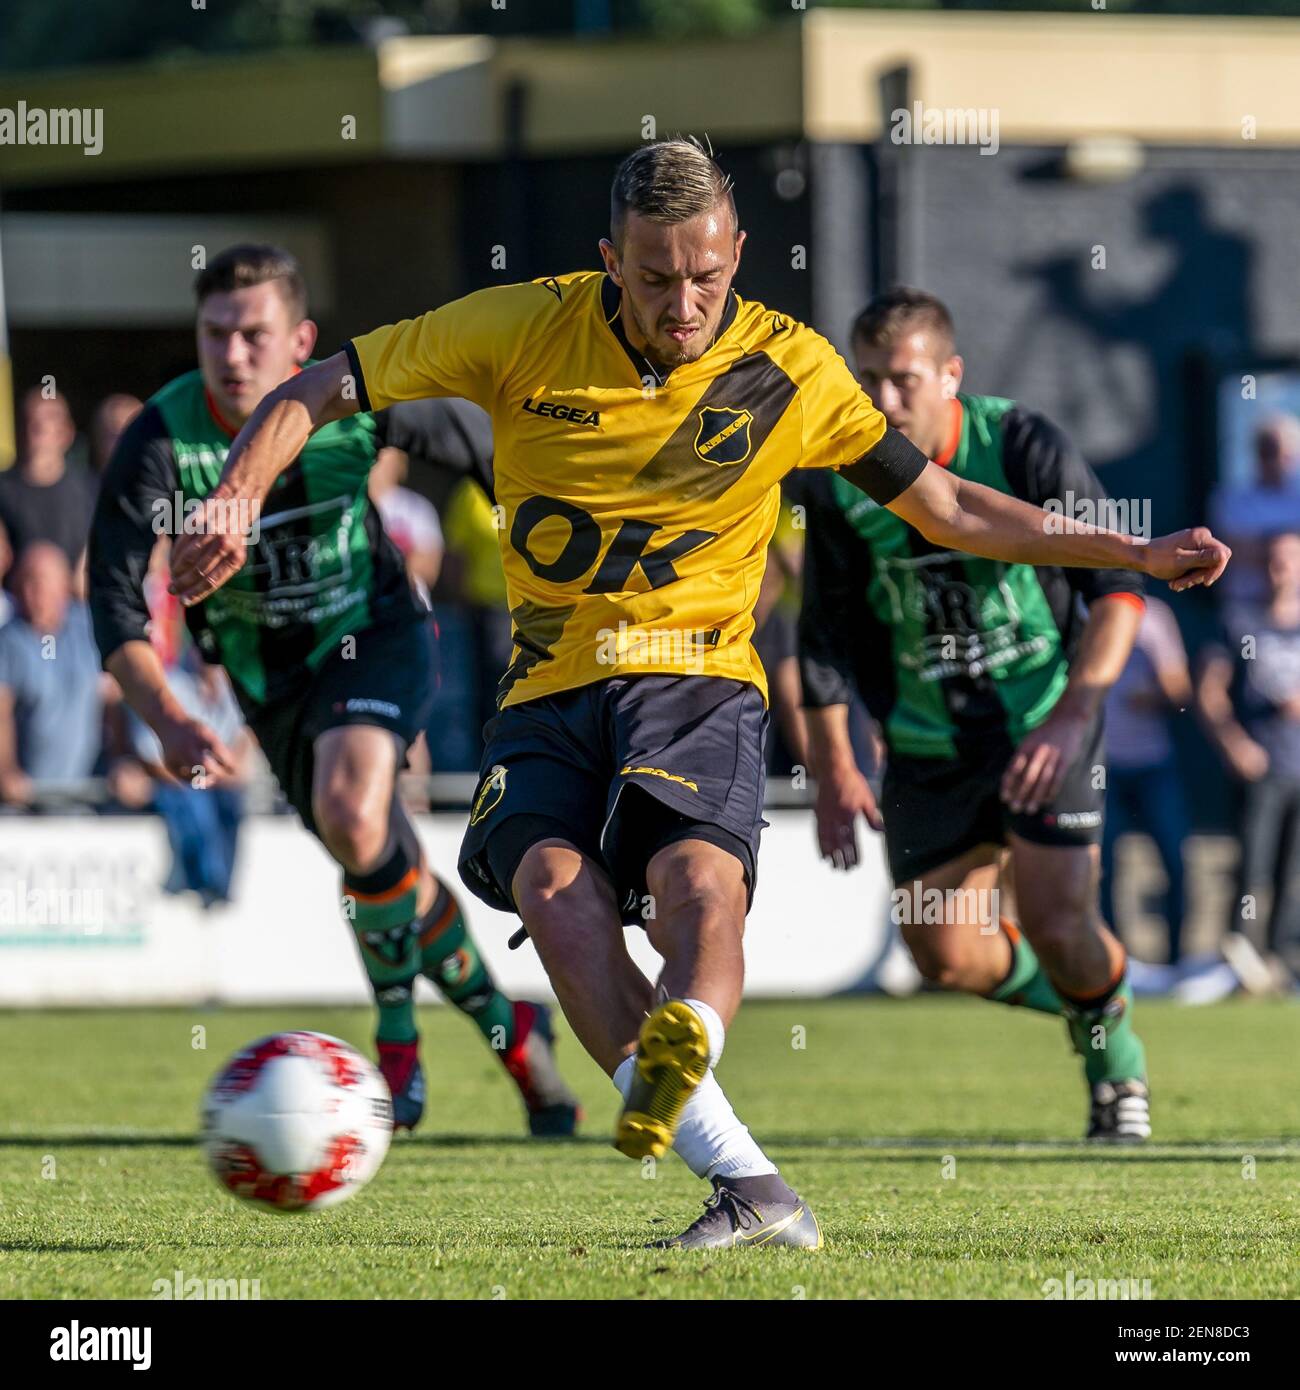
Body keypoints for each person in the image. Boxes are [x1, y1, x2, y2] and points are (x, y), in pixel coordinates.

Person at [168, 140, 1229, 1247]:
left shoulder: (791, 368)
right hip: (549, 688)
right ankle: (751, 1185)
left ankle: (686, 1041)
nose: (684, 303)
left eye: (706, 277)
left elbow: (952, 509)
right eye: (655, 276)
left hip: (697, 680)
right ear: (606, 261)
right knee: (549, 883)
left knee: (696, 885)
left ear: (738, 253)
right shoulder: (520, 325)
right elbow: (315, 386)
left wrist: (1135, 555)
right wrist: (238, 495)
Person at [87, 243, 581, 1137]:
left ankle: (395, 1040)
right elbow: (113, 602)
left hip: (375, 636)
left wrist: (551, 589)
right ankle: (513, 1033)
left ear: (300, 339)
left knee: (355, 816)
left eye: (253, 335)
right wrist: (165, 717)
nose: (233, 355)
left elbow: (497, 458)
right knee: (379, 861)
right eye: (215, 335)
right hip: (269, 689)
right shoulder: (160, 441)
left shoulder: (351, 404)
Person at [798, 287, 1155, 1141]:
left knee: (1060, 917)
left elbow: (1116, 590)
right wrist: (835, 768)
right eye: (867, 380)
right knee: (943, 956)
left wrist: (1076, 714)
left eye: (904, 380)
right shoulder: (841, 480)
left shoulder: (1022, 443)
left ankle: (1114, 1063)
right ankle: (1093, 1003)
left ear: (950, 375)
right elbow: (820, 642)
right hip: (927, 747)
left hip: (1043, 718)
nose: (883, 401)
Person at [1198, 530, 1300, 985]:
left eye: (1290, 561)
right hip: (1262, 763)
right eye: (1274, 560)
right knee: (1252, 863)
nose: (1282, 570)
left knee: (1292, 870)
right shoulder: (1241, 621)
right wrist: (1234, 743)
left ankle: (1282, 958)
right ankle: (1237, 952)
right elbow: (1209, 690)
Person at [1100, 596, 1193, 967]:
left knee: (1175, 860)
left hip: (1153, 764)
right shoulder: (1083, 609)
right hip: (1101, 766)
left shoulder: (1155, 616)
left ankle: (1174, 963)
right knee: (1101, 867)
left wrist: (1155, 691)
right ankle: (1110, 961)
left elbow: (1180, 691)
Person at [0, 542, 104, 807]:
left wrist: (127, 760)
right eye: (25, 581)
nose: (31, 591)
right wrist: (6, 770)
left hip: (82, 795)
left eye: (40, 582)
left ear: (63, 586)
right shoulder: (9, 641)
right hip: (23, 800)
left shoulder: (87, 630)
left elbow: (114, 698)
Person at [0, 389, 98, 579]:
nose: (32, 433)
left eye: (40, 427)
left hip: (77, 601)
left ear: (66, 433)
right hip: (14, 601)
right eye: (28, 423)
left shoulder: (91, 490)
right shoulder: (3, 488)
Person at [1211, 415, 1300, 603]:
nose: (1274, 460)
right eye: (1267, 452)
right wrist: (1283, 548)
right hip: (1245, 606)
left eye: (1280, 452)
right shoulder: (1232, 498)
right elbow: (1228, 549)